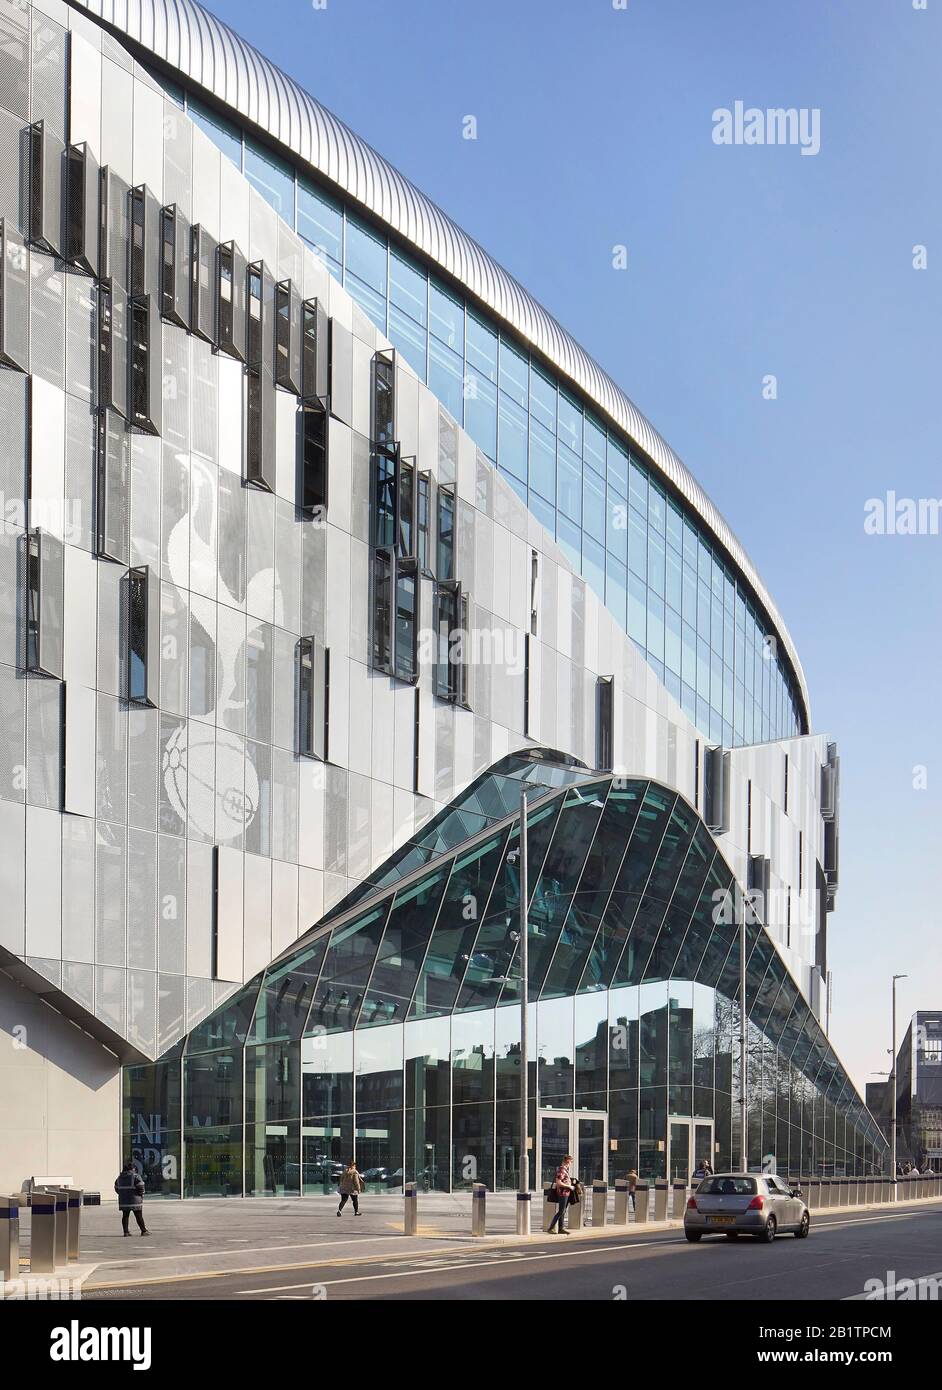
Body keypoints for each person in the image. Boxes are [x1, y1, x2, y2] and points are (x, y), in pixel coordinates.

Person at [114, 1160, 148, 1237]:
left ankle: (126, 1232)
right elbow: (141, 1187)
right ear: (132, 1169)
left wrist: (122, 1194)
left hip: (124, 1201)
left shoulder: (119, 1178)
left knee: (125, 1216)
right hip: (135, 1200)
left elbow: (116, 1188)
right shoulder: (136, 1176)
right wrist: (141, 1194)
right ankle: (143, 1231)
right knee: (139, 1216)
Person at [547, 1155, 574, 1234]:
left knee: (563, 1211)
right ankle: (551, 1228)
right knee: (561, 1211)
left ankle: (561, 1228)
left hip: (565, 1193)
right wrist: (569, 1186)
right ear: (567, 1161)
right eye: (570, 1162)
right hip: (563, 1193)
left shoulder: (564, 1170)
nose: (570, 1164)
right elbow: (558, 1182)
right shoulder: (562, 1170)